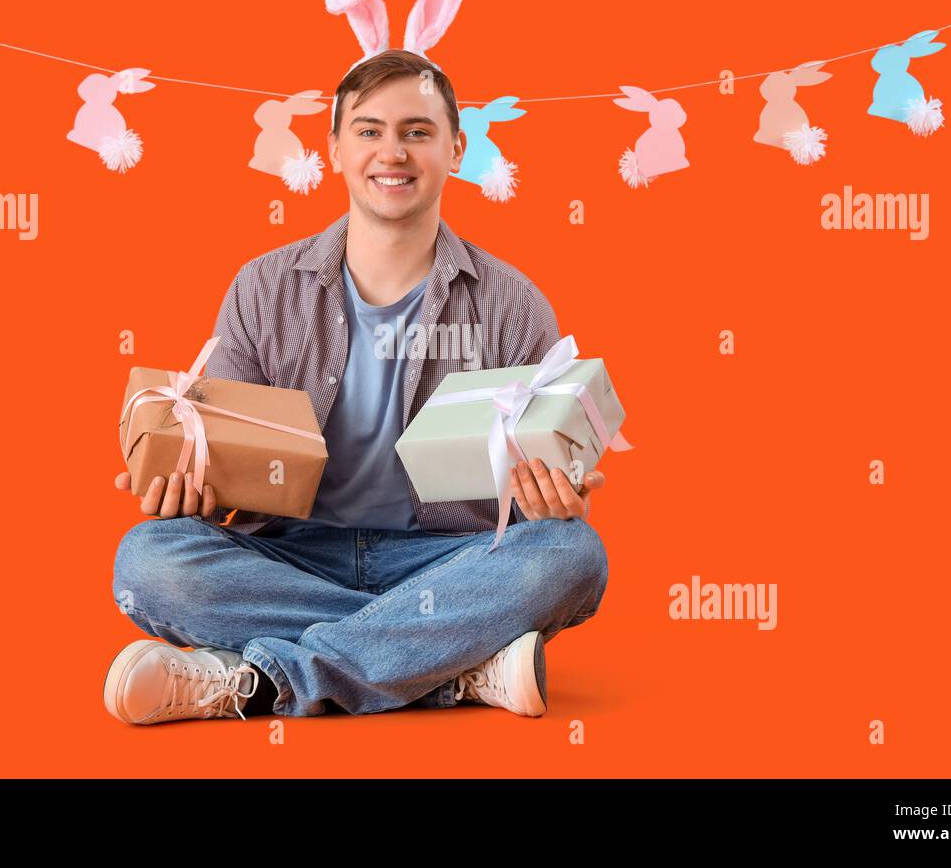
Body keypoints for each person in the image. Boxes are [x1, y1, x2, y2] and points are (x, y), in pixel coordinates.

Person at [105, 49, 610, 724]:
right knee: (150, 559)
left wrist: (551, 498)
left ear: (456, 150)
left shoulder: (514, 306)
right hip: (291, 555)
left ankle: (262, 679)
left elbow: (535, 489)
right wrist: (186, 487)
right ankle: (451, 667)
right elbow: (224, 462)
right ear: (336, 148)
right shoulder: (261, 289)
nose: (391, 152)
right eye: (369, 130)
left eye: (417, 131)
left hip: (447, 561)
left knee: (570, 554)